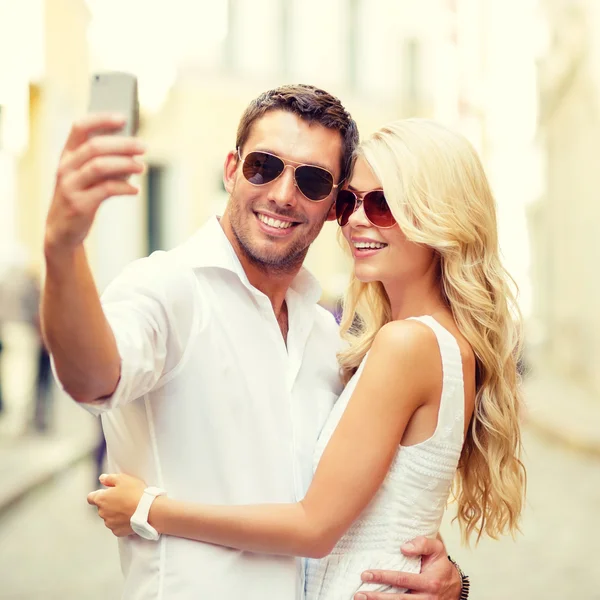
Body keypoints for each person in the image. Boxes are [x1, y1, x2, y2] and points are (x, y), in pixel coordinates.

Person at [43, 85, 466, 600]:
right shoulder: (169, 287)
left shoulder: (327, 339)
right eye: (264, 166)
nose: (284, 194)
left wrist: (448, 582)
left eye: (311, 181)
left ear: (332, 205)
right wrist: (63, 250)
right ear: (231, 169)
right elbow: (91, 376)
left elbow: (353, 508)